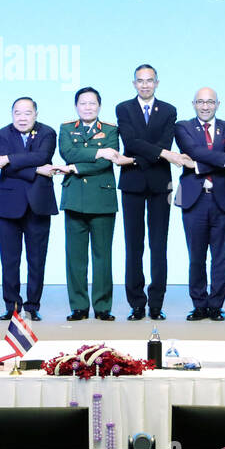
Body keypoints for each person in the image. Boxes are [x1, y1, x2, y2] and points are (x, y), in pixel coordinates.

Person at [174, 87, 225, 321]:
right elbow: (193, 150)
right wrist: (224, 158)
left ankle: (216, 305)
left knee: (220, 257)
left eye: (210, 102)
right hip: (193, 199)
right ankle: (199, 305)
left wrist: (196, 164)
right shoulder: (183, 127)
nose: (205, 106)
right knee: (196, 256)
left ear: (218, 104)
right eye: (200, 102)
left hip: (223, 199)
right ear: (193, 103)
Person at [59, 87, 130, 321]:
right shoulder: (67, 128)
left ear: (99, 106)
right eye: (83, 103)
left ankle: (102, 307)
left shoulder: (110, 130)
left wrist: (76, 167)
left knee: (103, 256)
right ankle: (79, 306)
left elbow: (107, 162)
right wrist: (100, 153)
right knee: (75, 258)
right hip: (74, 199)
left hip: (102, 199)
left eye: (92, 103)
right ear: (76, 106)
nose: (87, 107)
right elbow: (68, 153)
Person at [115, 64, 177, 321]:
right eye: (140, 81)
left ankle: (156, 303)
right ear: (134, 84)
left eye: (149, 80)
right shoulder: (124, 108)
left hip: (160, 184)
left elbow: (165, 143)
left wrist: (138, 158)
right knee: (134, 245)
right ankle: (137, 303)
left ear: (157, 83)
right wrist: (155, 156)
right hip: (132, 183)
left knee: (159, 245)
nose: (145, 85)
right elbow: (130, 142)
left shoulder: (169, 110)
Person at [0, 97, 58, 321]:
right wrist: (37, 171)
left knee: (37, 259)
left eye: (27, 113)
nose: (22, 117)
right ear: (12, 115)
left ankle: (32, 306)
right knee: (9, 260)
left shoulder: (47, 133)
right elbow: (6, 168)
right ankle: (12, 305)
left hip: (39, 204)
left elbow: (42, 156)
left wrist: (10, 159)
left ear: (35, 114)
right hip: (9, 206)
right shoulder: (3, 133)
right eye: (17, 113)